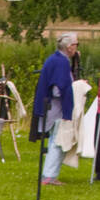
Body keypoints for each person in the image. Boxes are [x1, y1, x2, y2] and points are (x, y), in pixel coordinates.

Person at [30, 32, 78, 186]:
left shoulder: (56, 59)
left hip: (50, 105)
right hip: (55, 107)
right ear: (69, 46)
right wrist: (67, 109)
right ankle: (49, 175)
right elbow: (60, 88)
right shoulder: (61, 62)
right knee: (57, 140)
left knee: (55, 139)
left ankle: (49, 174)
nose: (77, 47)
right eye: (76, 44)